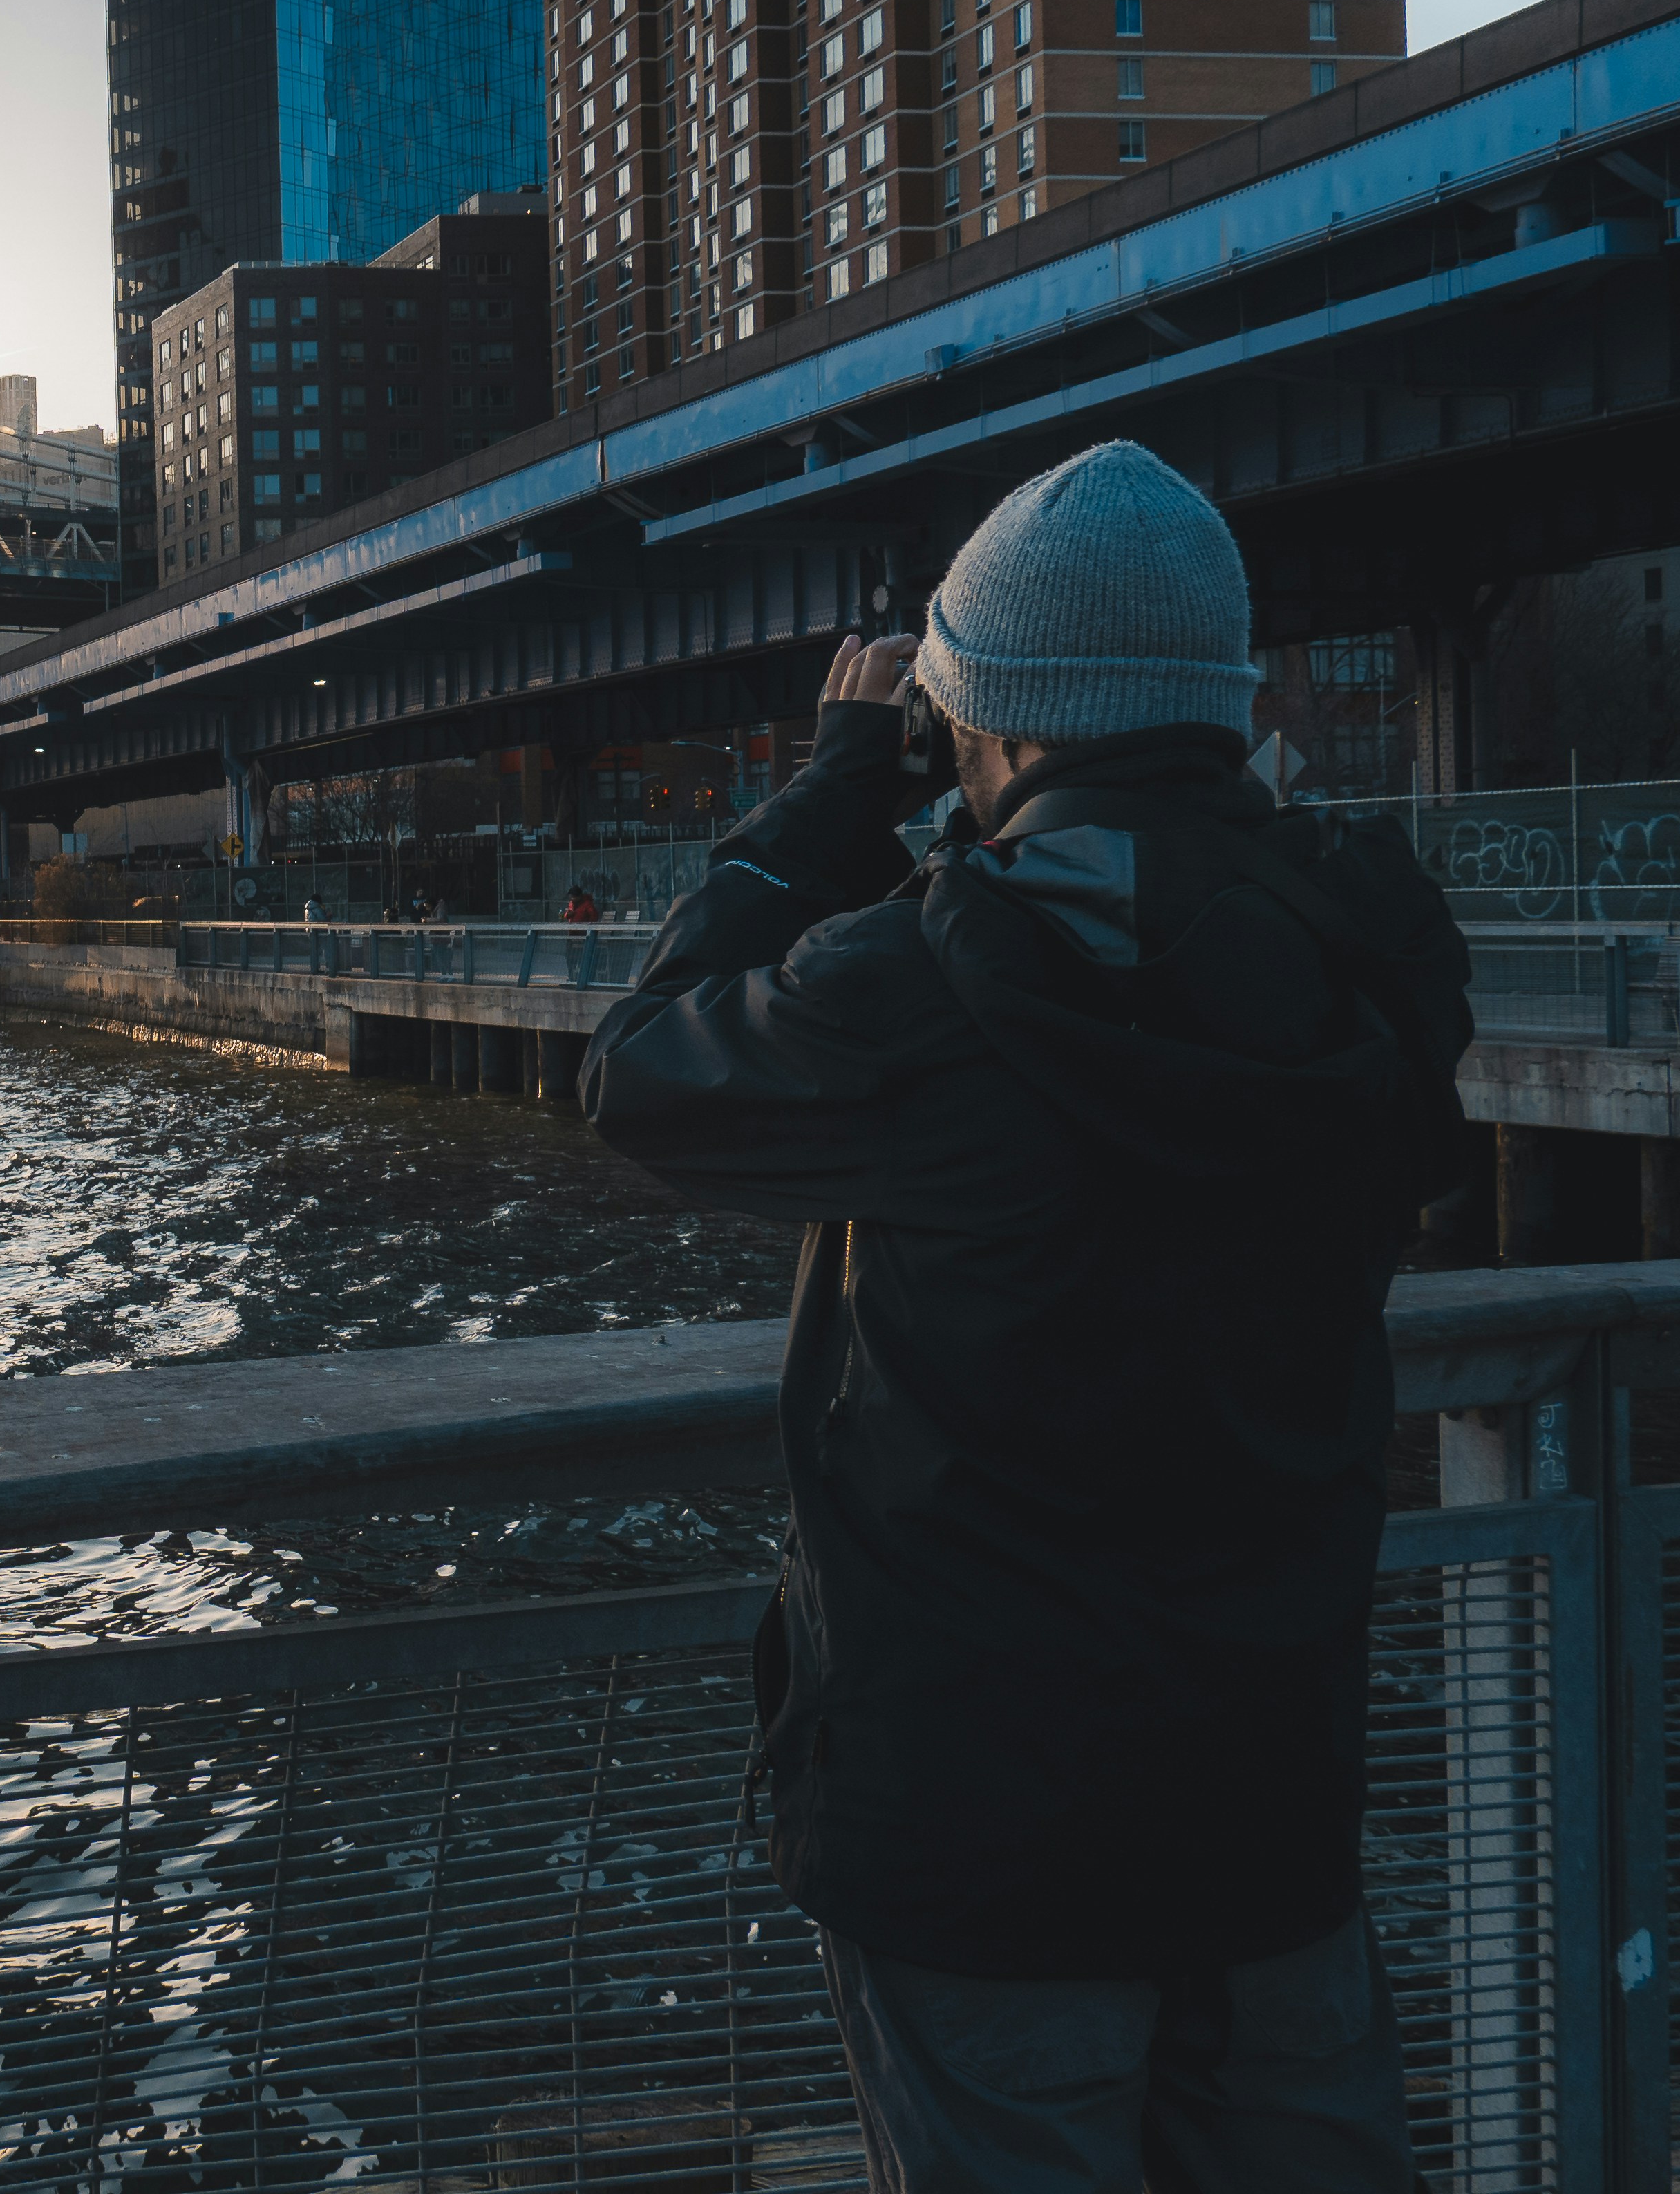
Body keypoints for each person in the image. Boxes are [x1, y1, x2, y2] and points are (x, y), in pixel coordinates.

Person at [579, 441, 1472, 2193]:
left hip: (975, 1834)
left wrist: (842, 787)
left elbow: (641, 1075)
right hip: (1270, 1803)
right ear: (1218, 699)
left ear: (985, 719)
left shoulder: (919, 986)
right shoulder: (1374, 954)